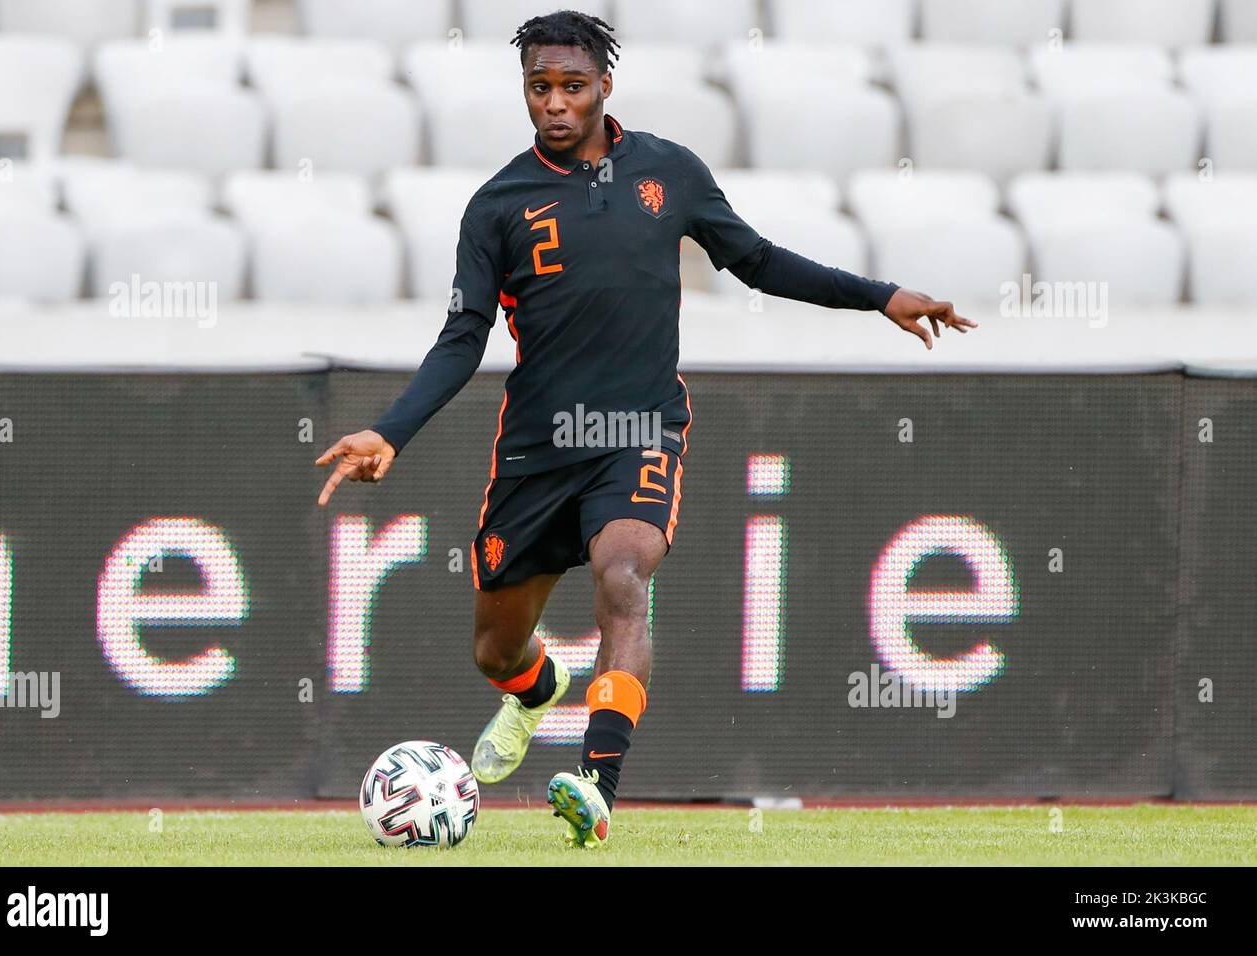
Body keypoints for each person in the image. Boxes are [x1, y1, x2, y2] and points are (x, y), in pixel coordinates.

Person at [316, 10, 976, 848]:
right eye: (538, 88)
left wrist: (878, 293)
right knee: (495, 649)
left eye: (572, 86)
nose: (555, 104)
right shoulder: (496, 207)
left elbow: (760, 261)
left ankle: (597, 784)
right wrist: (390, 433)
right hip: (535, 453)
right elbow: (462, 339)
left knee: (623, 576)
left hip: (639, 432)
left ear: (605, 86)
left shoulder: (669, 173)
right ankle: (533, 692)